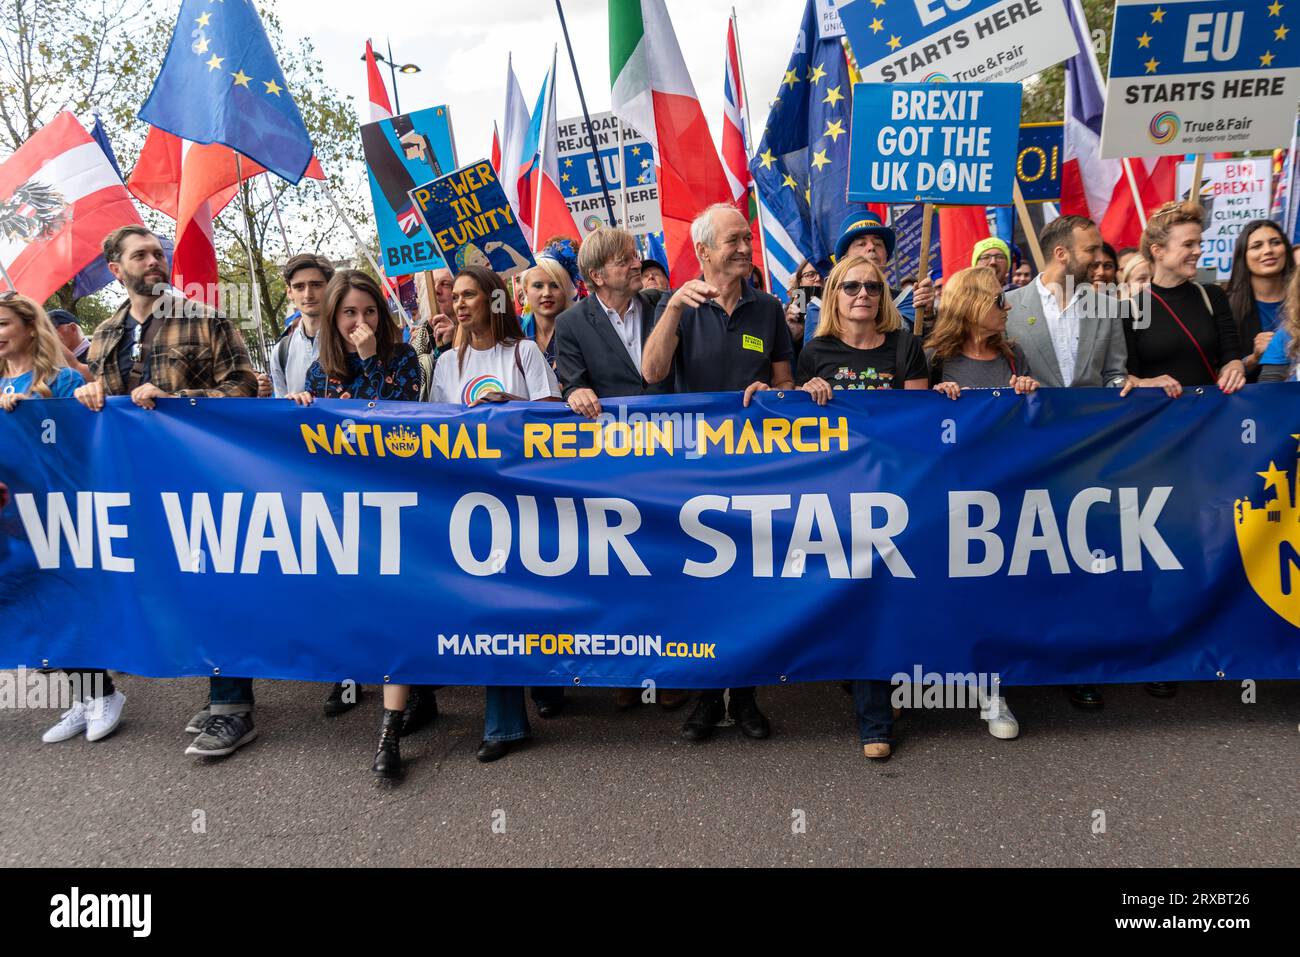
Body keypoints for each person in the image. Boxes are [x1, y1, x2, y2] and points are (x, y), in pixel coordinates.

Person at [75, 225, 259, 758]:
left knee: (215, 583)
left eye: (159, 253)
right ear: (116, 269)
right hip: (137, 487)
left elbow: (242, 388)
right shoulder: (106, 335)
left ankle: (233, 707)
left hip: (203, 482)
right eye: (141, 255)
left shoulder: (207, 318)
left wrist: (178, 398)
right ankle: (218, 687)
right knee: (173, 589)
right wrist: (91, 391)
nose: (155, 261)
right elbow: (102, 409)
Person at [643, 203, 794, 743]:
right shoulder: (673, 303)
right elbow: (652, 372)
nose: (743, 246)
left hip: (755, 471)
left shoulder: (769, 309)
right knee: (701, 583)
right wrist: (672, 311)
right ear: (703, 251)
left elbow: (786, 387)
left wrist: (774, 396)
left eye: (746, 238)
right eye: (732, 239)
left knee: (749, 584)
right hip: (692, 472)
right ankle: (707, 697)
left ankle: (747, 698)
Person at [284, 270, 424, 776]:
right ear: (333, 316)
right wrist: (299, 406)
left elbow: (393, 415)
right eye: (349, 313)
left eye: (368, 312)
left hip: (396, 503)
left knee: (396, 608)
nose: (359, 321)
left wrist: (369, 361)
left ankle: (388, 731)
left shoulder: (401, 358)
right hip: (344, 508)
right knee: (357, 604)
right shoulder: (319, 370)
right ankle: (403, 693)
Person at [432, 265, 560, 762]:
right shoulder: (445, 364)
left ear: (494, 300)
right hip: (474, 501)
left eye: (471, 296)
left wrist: (508, 405)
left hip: (528, 492)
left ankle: (551, 684)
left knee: (538, 594)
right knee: (492, 604)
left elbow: (554, 413)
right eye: (456, 296)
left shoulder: (522, 353)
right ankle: (504, 724)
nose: (460, 304)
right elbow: (435, 428)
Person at [1005, 215, 1128, 710]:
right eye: (1091, 250)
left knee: (1082, 560)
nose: (1101, 259)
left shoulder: (1108, 308)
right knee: (1026, 561)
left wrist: (1136, 385)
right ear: (1062, 254)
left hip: (1087, 460)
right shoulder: (1009, 307)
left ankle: (1078, 664)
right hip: (1024, 459)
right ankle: (1022, 660)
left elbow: (1115, 374)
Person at [0, 294, 117, 744]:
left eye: (4, 322)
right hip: (14, 518)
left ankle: (103, 695)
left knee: (65, 600)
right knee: (38, 605)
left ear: (30, 328)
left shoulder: (61, 379)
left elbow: (87, 441)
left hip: (62, 510)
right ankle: (84, 696)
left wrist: (36, 413)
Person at [925, 267, 1036, 739]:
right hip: (944, 495)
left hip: (1002, 493)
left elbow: (1039, 424)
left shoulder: (1014, 355)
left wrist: (1029, 395)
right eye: (999, 302)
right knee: (948, 595)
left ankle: (993, 693)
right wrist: (933, 399)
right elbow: (909, 426)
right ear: (972, 306)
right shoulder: (934, 358)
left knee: (994, 592)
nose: (1007, 309)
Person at [1124, 201, 1245, 402]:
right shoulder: (1130, 309)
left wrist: (1234, 368)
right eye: (1188, 244)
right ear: (1158, 251)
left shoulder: (1213, 296)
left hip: (1209, 414)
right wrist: (1146, 382)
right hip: (1157, 419)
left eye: (1199, 244)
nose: (1198, 251)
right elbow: (1125, 376)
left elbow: (1231, 355)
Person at [805, 209, 936, 341]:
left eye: (878, 244)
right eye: (861, 244)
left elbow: (921, 350)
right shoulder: (820, 306)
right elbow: (815, 357)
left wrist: (928, 314)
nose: (871, 247)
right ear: (844, 258)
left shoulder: (908, 300)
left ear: (886, 256)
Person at [1226, 220, 1292, 383]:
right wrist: (1254, 358)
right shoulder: (1226, 306)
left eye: (1275, 243)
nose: (1268, 250)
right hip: (1252, 402)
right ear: (1244, 256)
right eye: (1257, 246)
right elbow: (1217, 372)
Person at [269, 254, 335, 399]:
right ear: (289, 292)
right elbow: (283, 413)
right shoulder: (280, 352)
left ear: (330, 287)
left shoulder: (351, 341)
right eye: (299, 287)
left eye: (316, 285)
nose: (308, 294)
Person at [521, 257, 576, 376]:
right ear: (526, 290)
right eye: (538, 285)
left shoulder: (580, 331)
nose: (547, 293)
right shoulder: (515, 332)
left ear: (566, 289)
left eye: (555, 285)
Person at [785, 258, 823, 362]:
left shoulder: (843, 305)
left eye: (822, 273)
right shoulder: (790, 311)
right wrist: (790, 332)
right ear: (800, 282)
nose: (818, 278)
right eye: (811, 274)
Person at [48, 309, 91, 379]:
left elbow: (104, 382)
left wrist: (74, 365)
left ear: (73, 328)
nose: (47, 336)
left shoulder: (97, 355)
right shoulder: (50, 361)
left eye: (51, 330)